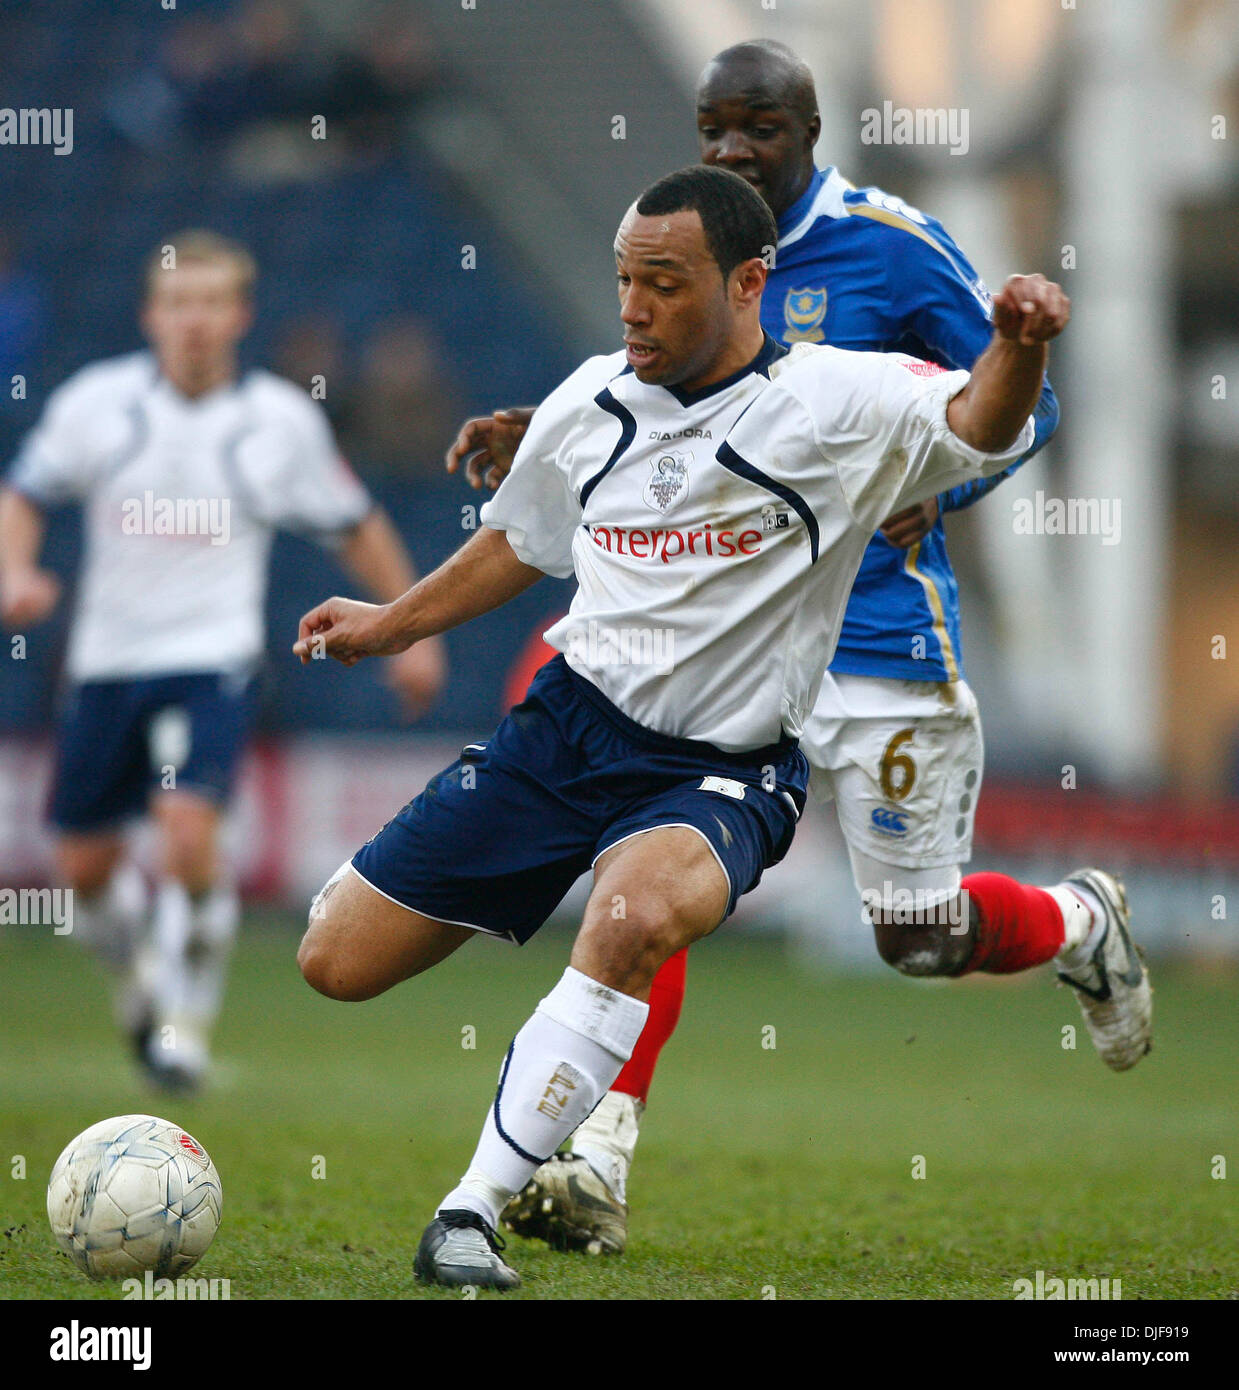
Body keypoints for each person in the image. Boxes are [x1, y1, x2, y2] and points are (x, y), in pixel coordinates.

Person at [293, 163, 1070, 1289]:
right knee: (333, 960)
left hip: (722, 771)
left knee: (634, 918)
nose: (634, 306)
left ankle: (471, 1210)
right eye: (624, 280)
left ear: (750, 281)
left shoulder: (838, 401)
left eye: (663, 281)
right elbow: (522, 540)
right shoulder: (589, 400)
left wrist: (1021, 343)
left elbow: (977, 419)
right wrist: (392, 624)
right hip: (562, 733)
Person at [445, 40, 1148, 1261]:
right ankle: (597, 1157)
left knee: (917, 934)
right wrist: (540, 430)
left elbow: (1022, 398)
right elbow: (642, 388)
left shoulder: (893, 245)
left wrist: (954, 492)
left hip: (873, 626)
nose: (728, 149)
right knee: (642, 877)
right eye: (714, 126)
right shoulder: (689, 244)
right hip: (717, 647)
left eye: (756, 127)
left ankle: (1080, 923)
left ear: (812, 127)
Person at [0, 229, 445, 1090]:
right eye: (177, 304)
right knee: (85, 872)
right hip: (104, 664)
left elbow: (357, 525)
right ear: (150, 315)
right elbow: (23, 493)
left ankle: (184, 1027)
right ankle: (137, 1000)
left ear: (238, 315)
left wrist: (409, 632)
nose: (194, 322)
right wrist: (16, 570)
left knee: (188, 834)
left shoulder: (278, 421)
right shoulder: (99, 404)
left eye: (210, 303)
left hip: (215, 658)